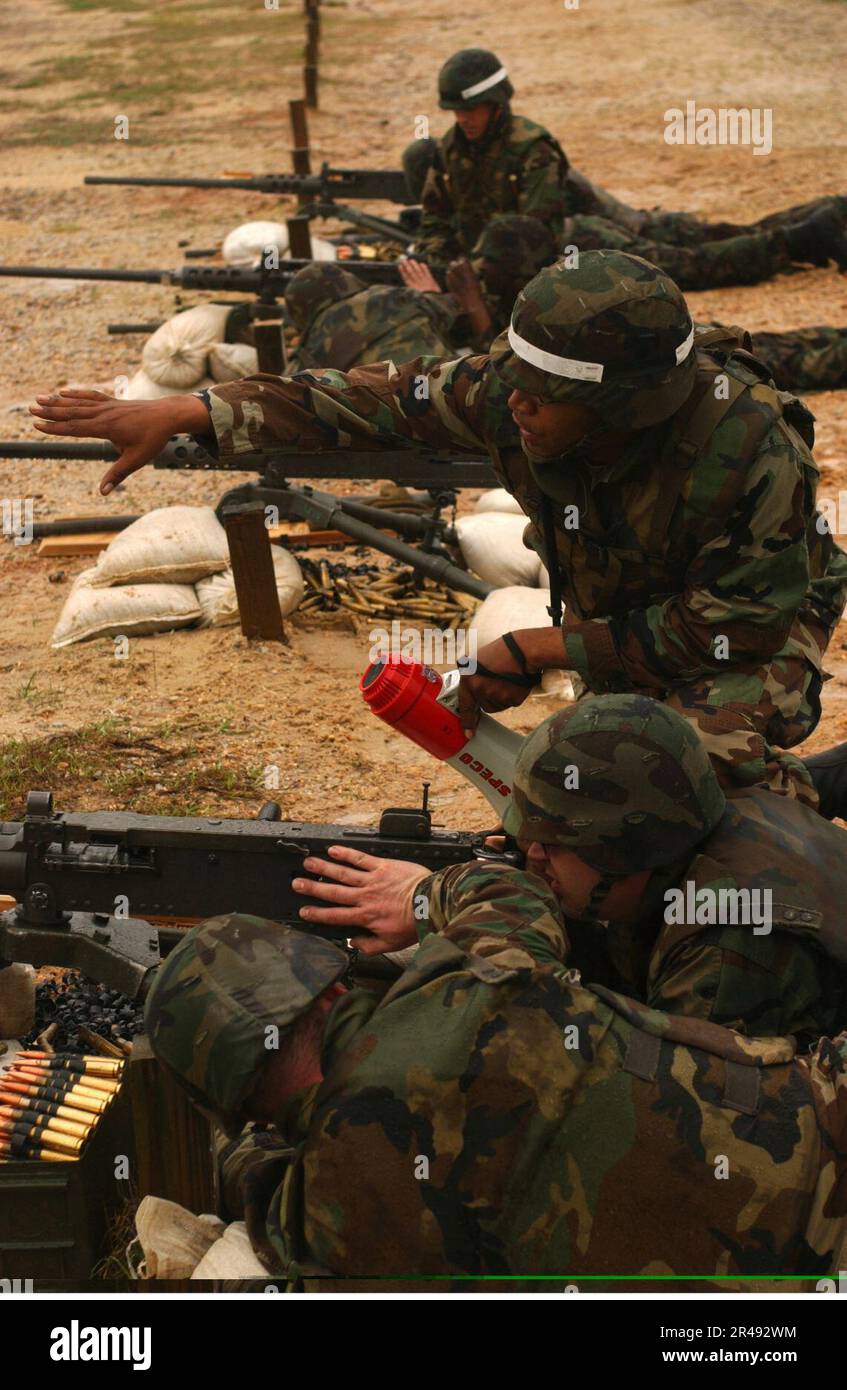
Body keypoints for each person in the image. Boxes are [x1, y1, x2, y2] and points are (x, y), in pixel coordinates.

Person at [31, 250, 847, 805]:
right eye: (511, 382)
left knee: (685, 779)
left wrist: (536, 651)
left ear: (623, 410)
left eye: (540, 395)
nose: (513, 404)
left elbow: (724, 629)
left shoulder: (747, 450)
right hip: (625, 606)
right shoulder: (514, 391)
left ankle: (814, 794)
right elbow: (370, 398)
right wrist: (194, 409)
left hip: (750, 623)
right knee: (596, 779)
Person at [143, 884, 847, 1288]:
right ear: (328, 991)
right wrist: (420, 897)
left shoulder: (339, 1208)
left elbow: (268, 1204)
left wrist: (247, 1151)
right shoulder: (476, 971)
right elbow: (507, 888)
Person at [414, 49, 572, 264]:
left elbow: (535, 235)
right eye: (456, 111)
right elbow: (435, 218)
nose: (461, 119)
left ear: (495, 104)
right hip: (466, 266)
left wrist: (478, 275)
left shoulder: (535, 151)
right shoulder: (451, 147)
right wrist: (434, 260)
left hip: (519, 271)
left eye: (470, 109)